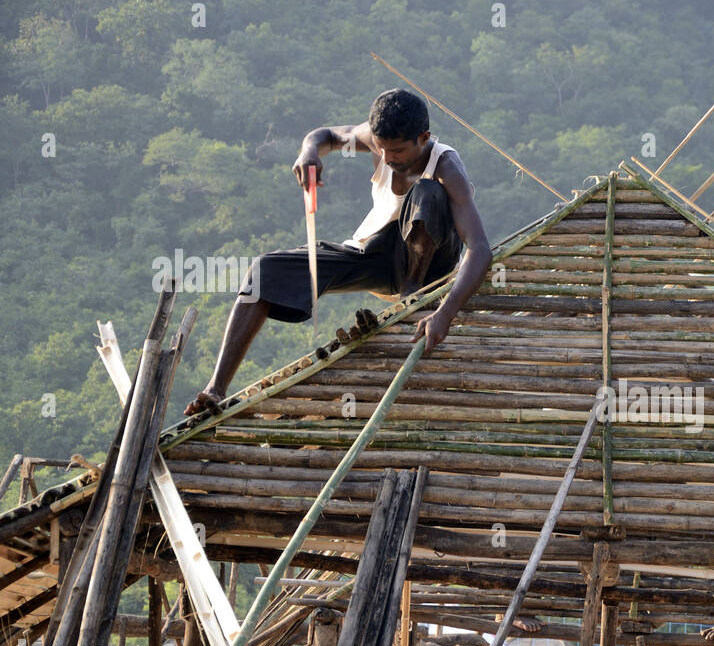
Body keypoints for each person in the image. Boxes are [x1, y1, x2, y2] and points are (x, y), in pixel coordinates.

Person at [183, 88, 492, 416]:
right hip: (374, 254)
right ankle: (215, 388)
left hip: (429, 265)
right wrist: (309, 151)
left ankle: (411, 296)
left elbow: (480, 250)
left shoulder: (447, 167)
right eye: (382, 148)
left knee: (428, 192)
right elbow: (326, 135)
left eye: (398, 151)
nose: (388, 158)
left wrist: (444, 313)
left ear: (424, 137)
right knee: (264, 270)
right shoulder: (376, 141)